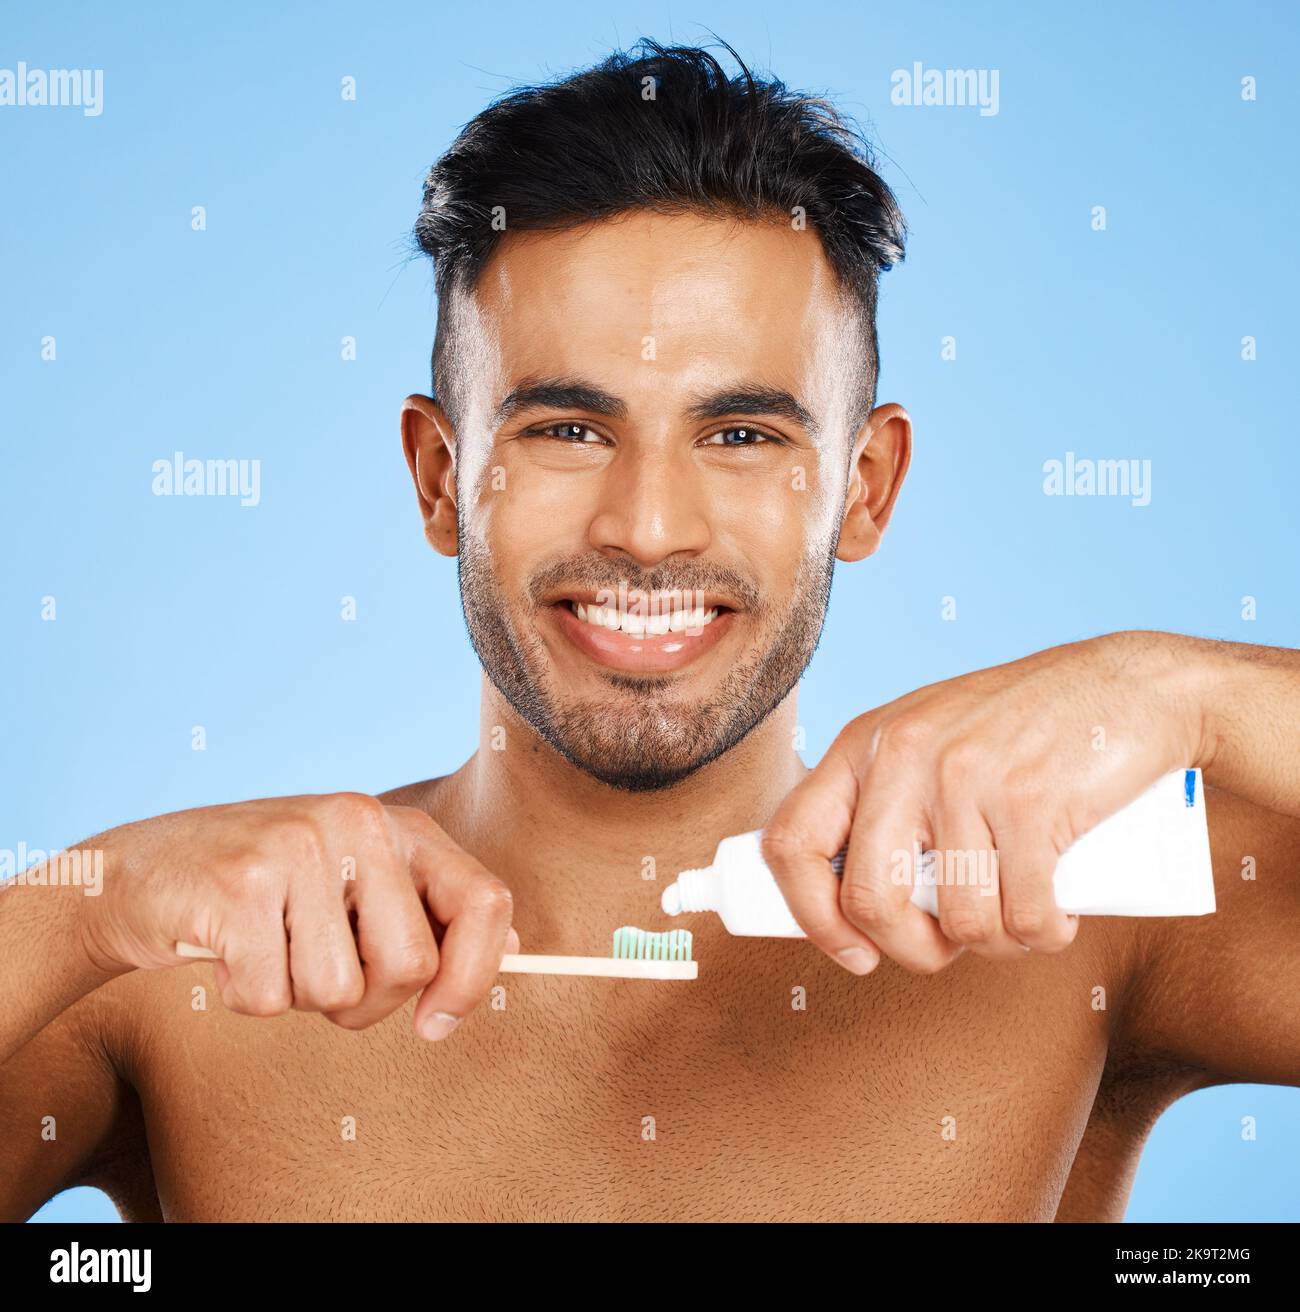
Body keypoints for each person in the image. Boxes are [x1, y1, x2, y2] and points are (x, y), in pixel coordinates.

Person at [3, 41, 1297, 1222]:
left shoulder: (1084, 916)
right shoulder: (169, 974)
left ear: (866, 487)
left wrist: (1189, 693)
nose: (649, 527)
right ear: (441, 478)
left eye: (741, 434)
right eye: (568, 429)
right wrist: (81, 911)